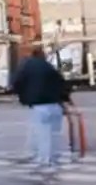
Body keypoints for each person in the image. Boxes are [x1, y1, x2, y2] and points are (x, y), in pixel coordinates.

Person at [11, 47, 72, 175]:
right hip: (55, 105)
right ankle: (54, 159)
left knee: (42, 134)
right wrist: (65, 99)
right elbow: (63, 84)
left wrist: (22, 96)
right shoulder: (50, 67)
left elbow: (16, 82)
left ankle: (44, 160)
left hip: (39, 105)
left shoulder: (26, 66)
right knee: (54, 134)